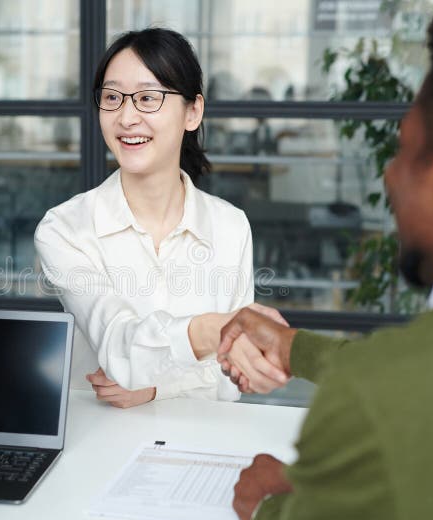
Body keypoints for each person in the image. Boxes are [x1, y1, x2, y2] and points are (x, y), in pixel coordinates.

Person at [218, 1, 433, 520]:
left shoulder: (378, 404)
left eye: (405, 151)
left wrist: (270, 511)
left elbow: (403, 390)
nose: (389, 177)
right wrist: (292, 345)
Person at [35, 28, 284, 408]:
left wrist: (155, 389)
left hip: (201, 439)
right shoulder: (65, 229)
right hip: (97, 443)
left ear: (193, 112)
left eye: (148, 98)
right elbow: (117, 345)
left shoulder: (231, 227)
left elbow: (229, 382)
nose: (127, 117)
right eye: (113, 97)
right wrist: (213, 331)